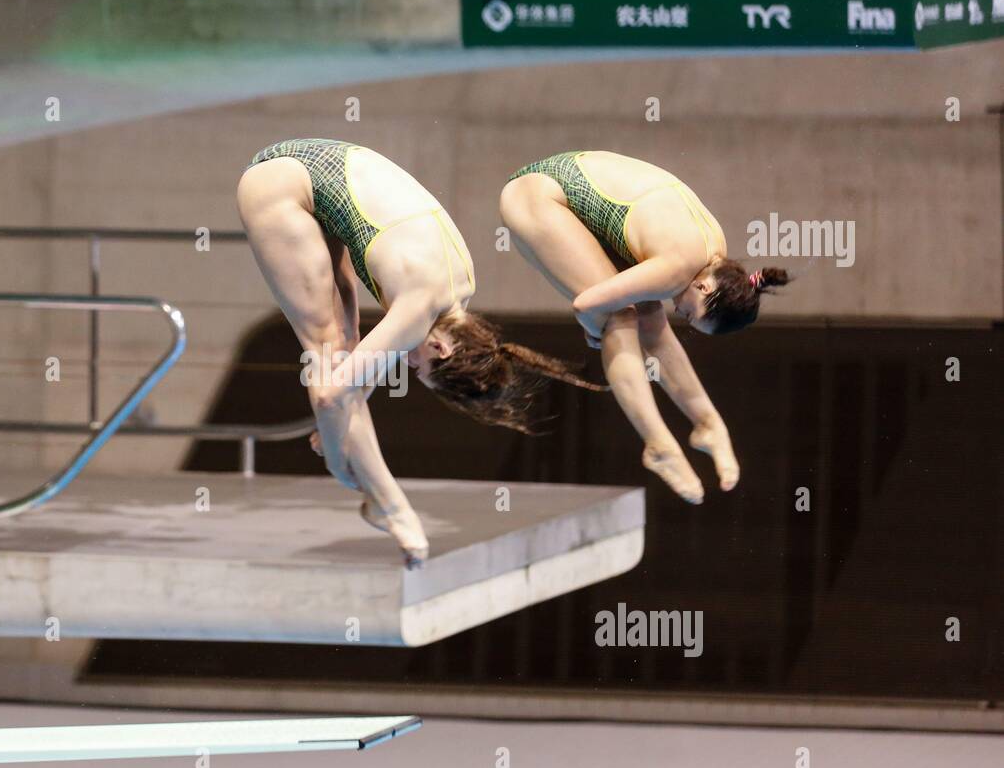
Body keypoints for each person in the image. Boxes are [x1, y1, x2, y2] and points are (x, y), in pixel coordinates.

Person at [238, 138, 603, 564]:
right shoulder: (419, 310)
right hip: (276, 187)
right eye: (419, 365)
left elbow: (356, 377)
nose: (408, 361)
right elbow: (328, 394)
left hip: (315, 167)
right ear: (442, 347)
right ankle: (394, 507)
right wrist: (337, 462)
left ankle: (380, 498)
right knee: (329, 353)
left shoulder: (461, 288)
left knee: (347, 348)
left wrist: (336, 420)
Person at [500, 150, 790, 503]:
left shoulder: (715, 254)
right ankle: (658, 443)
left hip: (563, 185)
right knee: (619, 317)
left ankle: (709, 423)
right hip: (534, 196)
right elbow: (586, 303)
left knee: (647, 315)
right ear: (704, 288)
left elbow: (651, 326)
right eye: (689, 315)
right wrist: (596, 332)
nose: (681, 313)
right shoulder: (679, 269)